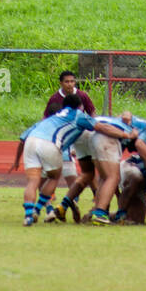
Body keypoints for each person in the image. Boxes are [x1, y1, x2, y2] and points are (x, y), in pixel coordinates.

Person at [14, 95, 134, 226]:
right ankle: (40, 209)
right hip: (52, 143)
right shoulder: (78, 114)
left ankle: (30, 215)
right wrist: (126, 134)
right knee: (55, 177)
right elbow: (102, 127)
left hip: (31, 141)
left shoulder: (52, 116)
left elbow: (22, 138)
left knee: (33, 181)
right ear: (81, 106)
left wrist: (16, 161)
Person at [44, 70, 96, 213]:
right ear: (61, 83)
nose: (70, 84)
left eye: (72, 81)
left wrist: (91, 128)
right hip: (62, 136)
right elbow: (47, 117)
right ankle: (58, 195)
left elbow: (92, 112)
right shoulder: (55, 98)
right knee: (58, 165)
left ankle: (95, 194)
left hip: (79, 134)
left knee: (87, 165)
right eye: (67, 81)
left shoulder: (82, 95)